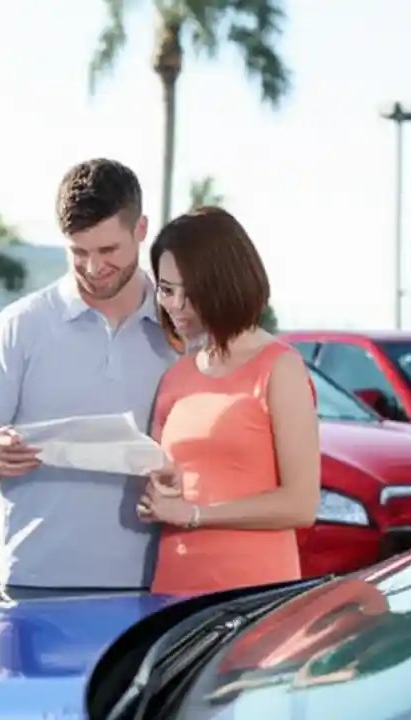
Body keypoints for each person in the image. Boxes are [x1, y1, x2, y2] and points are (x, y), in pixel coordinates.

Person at [0, 158, 179, 601]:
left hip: (159, 583)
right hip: (37, 580)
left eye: (108, 250)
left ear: (141, 230)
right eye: (78, 252)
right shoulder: (21, 324)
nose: (94, 267)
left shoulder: (180, 326)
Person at [136, 206, 320, 595]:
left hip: (253, 596)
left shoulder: (280, 368)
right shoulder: (175, 376)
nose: (176, 306)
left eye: (192, 292)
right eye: (167, 290)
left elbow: (301, 504)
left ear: (225, 283)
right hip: (174, 589)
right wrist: (160, 494)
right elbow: (165, 486)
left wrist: (194, 515)